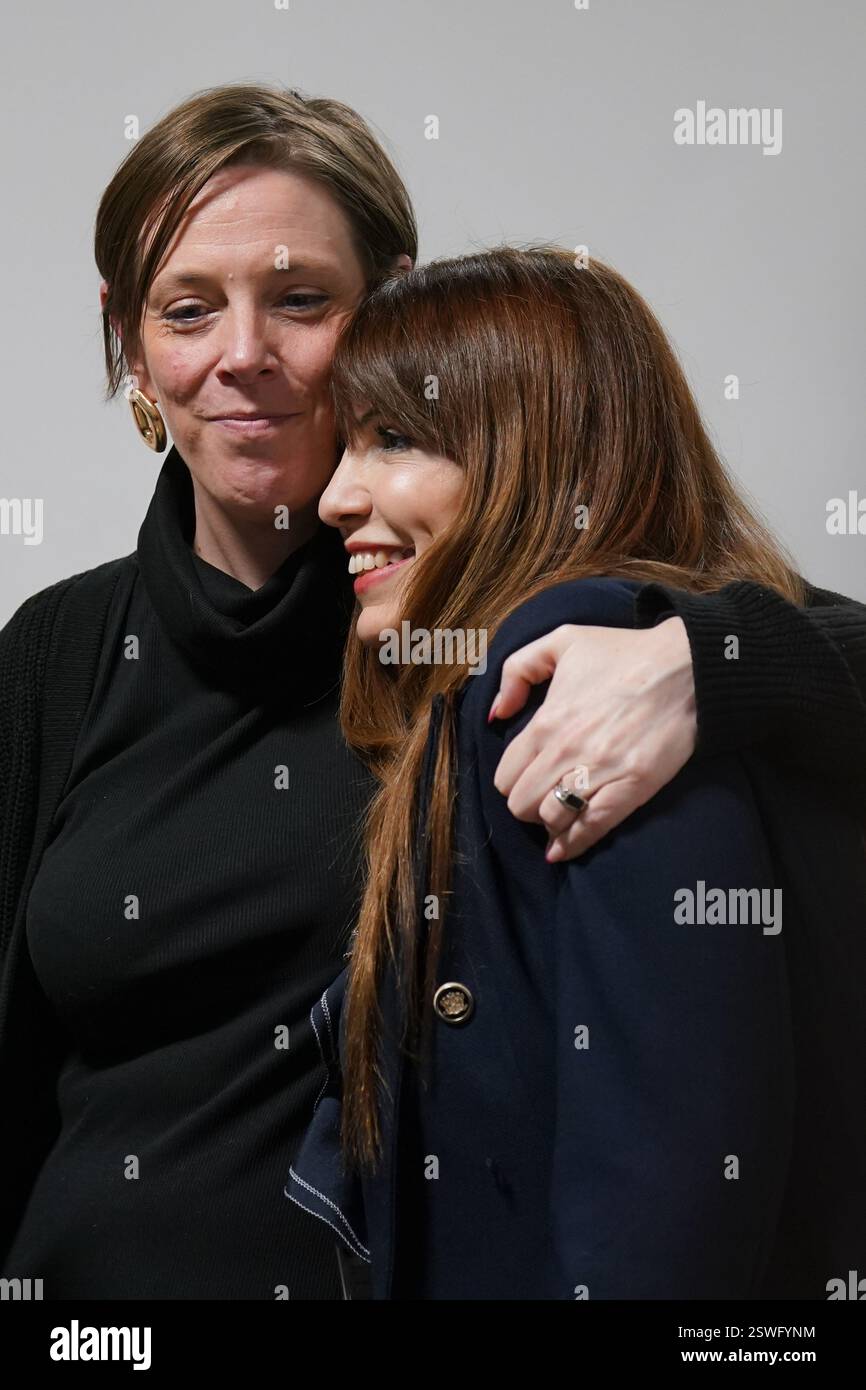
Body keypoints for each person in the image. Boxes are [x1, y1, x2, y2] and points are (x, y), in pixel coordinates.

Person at [1, 83, 864, 1301]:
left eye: (300, 300)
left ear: (388, 305)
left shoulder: (475, 621)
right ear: (129, 344)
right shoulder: (55, 654)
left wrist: (707, 660)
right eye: (187, 309)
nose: (242, 354)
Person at [287, 245, 866, 1300]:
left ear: (539, 454)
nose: (334, 495)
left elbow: (665, 1188)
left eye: (394, 440)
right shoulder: (643, 650)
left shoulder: (570, 655)